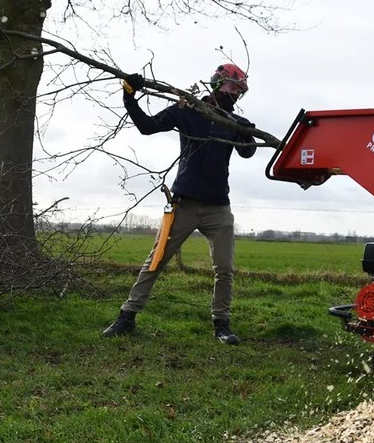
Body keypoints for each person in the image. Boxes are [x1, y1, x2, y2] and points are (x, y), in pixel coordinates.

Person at [102, 63, 258, 345]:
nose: (235, 94)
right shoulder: (187, 110)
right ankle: (126, 317)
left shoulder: (232, 121)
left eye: (240, 91)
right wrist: (129, 96)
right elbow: (147, 127)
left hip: (218, 207)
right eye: (232, 87)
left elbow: (247, 154)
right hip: (184, 203)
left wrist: (247, 134)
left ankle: (221, 325)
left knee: (225, 269)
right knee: (156, 260)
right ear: (216, 83)